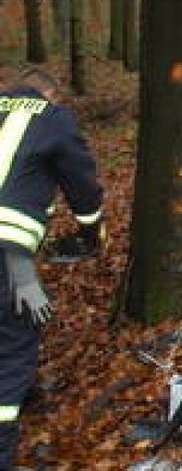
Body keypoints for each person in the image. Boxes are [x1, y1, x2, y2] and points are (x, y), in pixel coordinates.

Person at [0, 67, 104, 469]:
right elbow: (82, 184)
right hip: (8, 254)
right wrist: (91, 233)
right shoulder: (52, 116)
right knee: (12, 345)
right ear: (50, 94)